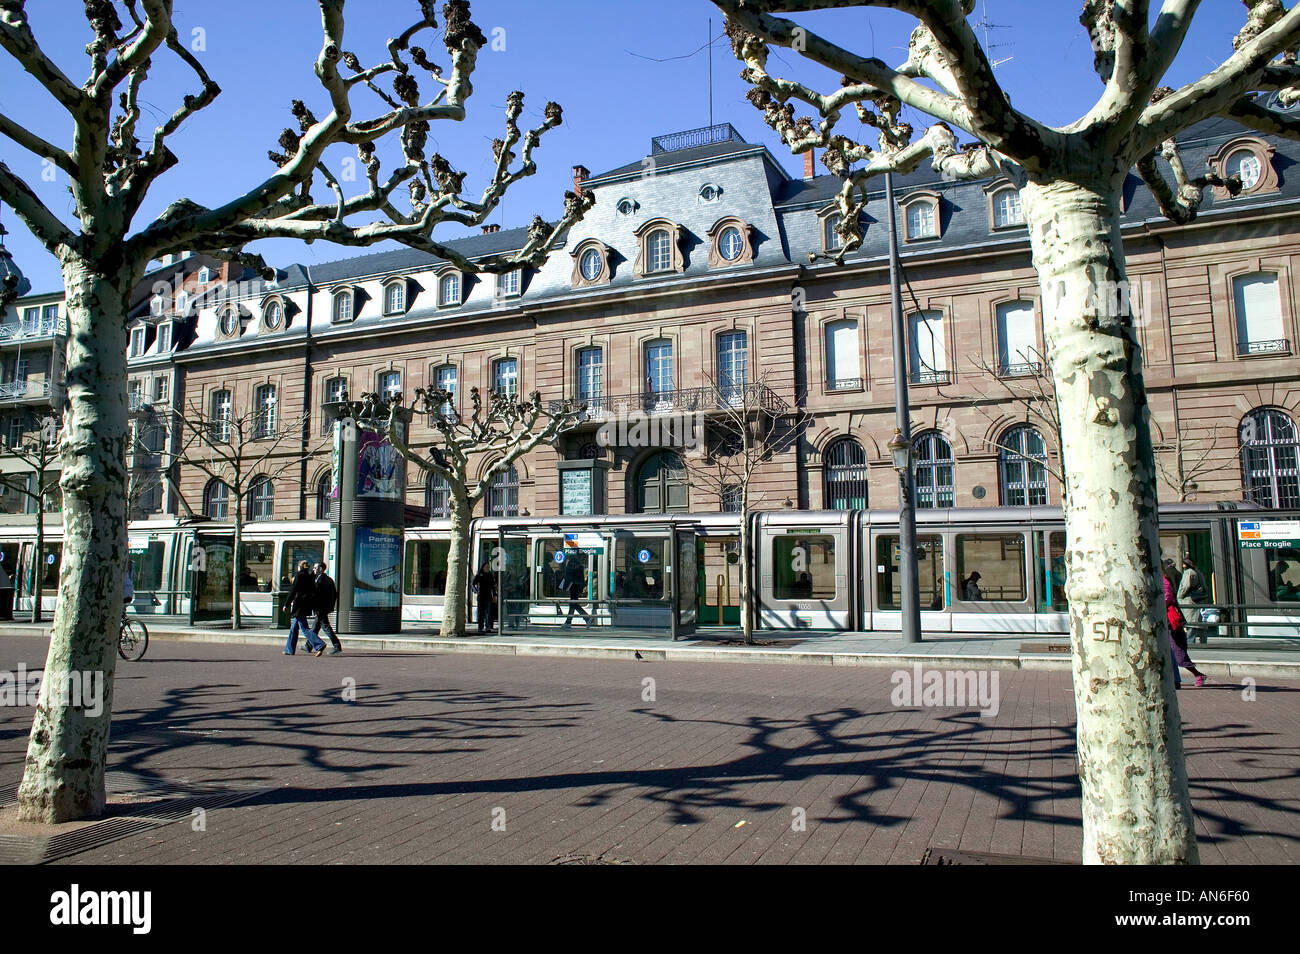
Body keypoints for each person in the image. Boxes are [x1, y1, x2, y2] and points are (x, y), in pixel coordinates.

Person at [1163, 560, 1207, 688]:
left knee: (1176, 651)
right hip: (1172, 618)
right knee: (1175, 650)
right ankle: (1178, 679)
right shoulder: (1190, 572)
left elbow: (1169, 596)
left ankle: (1195, 675)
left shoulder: (1166, 579)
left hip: (1171, 620)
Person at [283, 560, 325, 656]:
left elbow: (293, 590)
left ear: (299, 567)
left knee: (304, 628)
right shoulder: (310, 576)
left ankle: (319, 644)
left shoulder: (299, 575)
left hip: (299, 605)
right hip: (307, 604)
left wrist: (286, 604)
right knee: (294, 628)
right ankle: (289, 649)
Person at [311, 562, 342, 655]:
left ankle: (337, 646)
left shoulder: (321, 580)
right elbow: (334, 595)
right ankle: (308, 645)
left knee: (325, 627)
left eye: (315, 567)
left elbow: (317, 595)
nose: (313, 569)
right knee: (315, 627)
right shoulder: (328, 579)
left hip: (321, 608)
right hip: (324, 607)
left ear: (320, 569)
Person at [561, 559, 591, 628]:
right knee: (573, 603)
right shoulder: (579, 563)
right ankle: (568, 622)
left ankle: (587, 618)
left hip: (573, 585)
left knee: (573, 603)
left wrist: (564, 586)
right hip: (578, 585)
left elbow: (568, 575)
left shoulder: (571, 562)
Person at [472, 560, 497, 633]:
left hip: (488, 596)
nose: (488, 568)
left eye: (488, 567)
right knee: (481, 612)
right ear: (483, 567)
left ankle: (488, 627)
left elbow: (493, 586)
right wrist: (476, 591)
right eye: (486, 567)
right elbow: (473, 584)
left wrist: (495, 595)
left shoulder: (490, 575)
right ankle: (480, 627)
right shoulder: (479, 575)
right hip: (481, 596)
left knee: (488, 612)